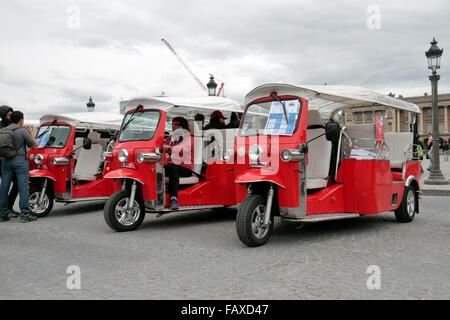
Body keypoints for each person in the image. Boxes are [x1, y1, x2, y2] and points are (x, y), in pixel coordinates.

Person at [0, 111, 38, 222]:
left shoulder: (3, 130)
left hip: (6, 162)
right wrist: (30, 132)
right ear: (21, 120)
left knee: (4, 187)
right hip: (20, 162)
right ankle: (25, 214)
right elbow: (35, 146)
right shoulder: (22, 131)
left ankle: (3, 213)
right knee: (23, 188)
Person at [163, 117, 194, 210]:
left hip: (185, 168)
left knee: (173, 168)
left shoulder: (189, 138)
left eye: (176, 124)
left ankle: (174, 199)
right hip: (172, 165)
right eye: (172, 124)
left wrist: (169, 148)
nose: (173, 126)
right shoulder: (171, 138)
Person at [0, 105, 19, 218]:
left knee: (16, 183)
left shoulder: (13, 125)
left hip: (12, 159)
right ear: (3, 115)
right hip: (2, 160)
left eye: (11, 114)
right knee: (4, 185)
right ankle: (4, 209)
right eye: (8, 114)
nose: (10, 116)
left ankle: (8, 207)